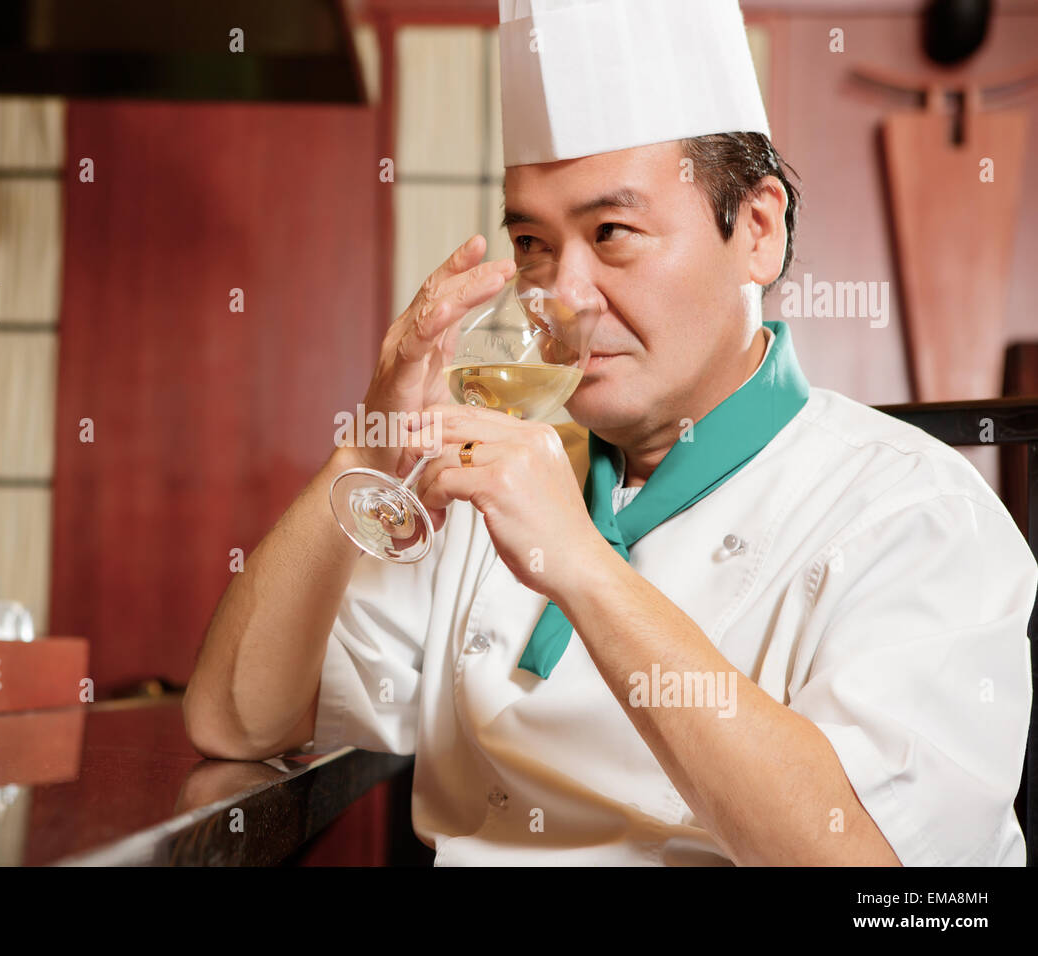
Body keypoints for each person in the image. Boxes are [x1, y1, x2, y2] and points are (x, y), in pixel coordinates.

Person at [184, 0, 1036, 865]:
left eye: (612, 232)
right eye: (533, 243)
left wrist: (582, 565)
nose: (566, 296)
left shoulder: (916, 511)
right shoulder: (487, 485)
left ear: (758, 231)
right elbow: (236, 720)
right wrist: (367, 450)